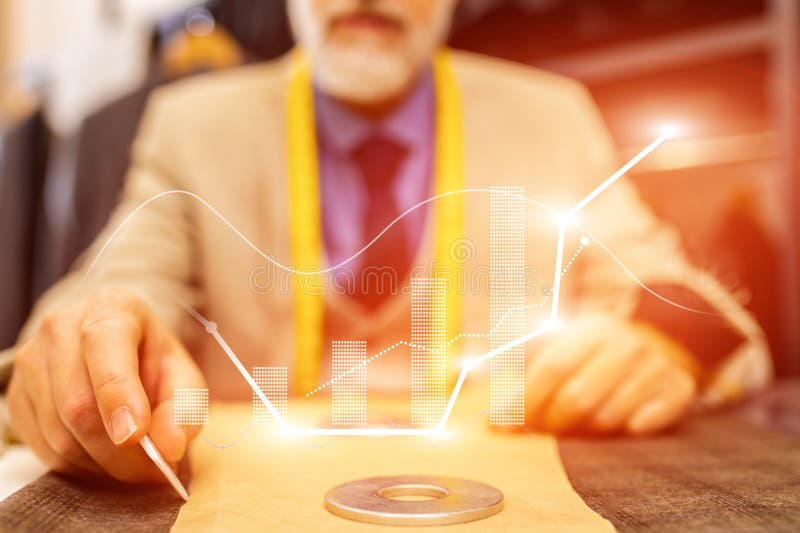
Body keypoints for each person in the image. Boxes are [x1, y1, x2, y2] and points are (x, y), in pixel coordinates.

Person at [3, 0, 771, 483]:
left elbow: (670, 287)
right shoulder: (193, 122)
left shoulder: (552, 114)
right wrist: (84, 341)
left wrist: (663, 343)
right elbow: (121, 278)